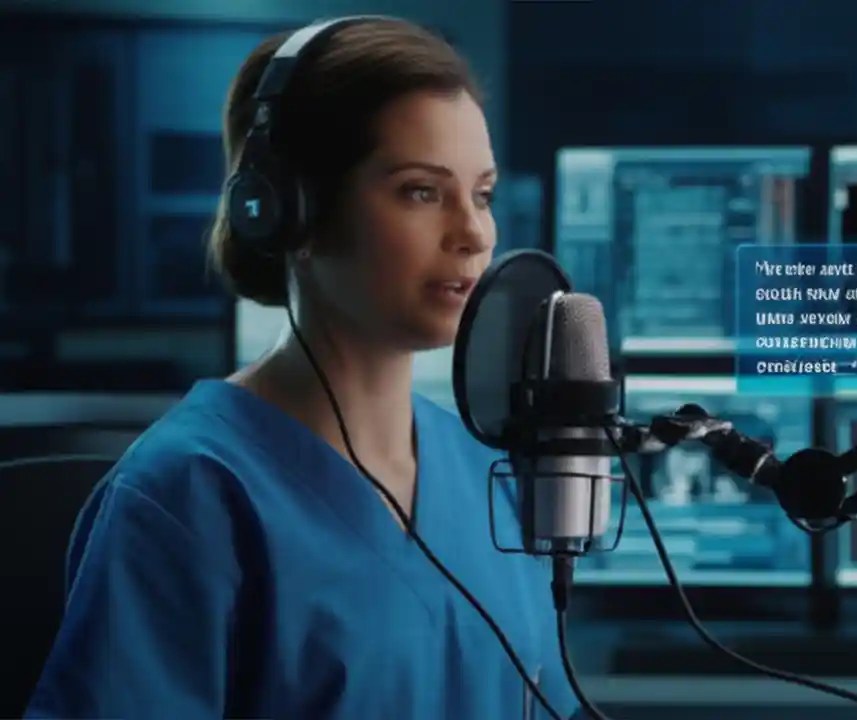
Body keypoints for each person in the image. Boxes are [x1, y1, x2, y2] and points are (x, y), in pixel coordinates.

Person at [25, 17, 582, 720]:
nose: (474, 233)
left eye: (483, 194)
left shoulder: (484, 473)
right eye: (421, 191)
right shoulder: (188, 494)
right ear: (294, 211)